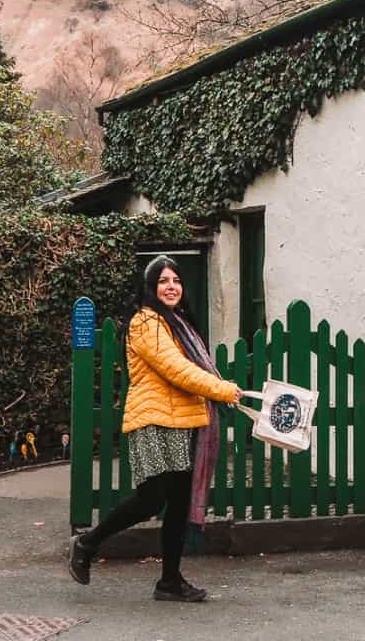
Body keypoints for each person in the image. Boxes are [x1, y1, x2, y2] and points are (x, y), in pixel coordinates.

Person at [69, 256, 241, 602]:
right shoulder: (146, 322)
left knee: (177, 503)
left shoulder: (177, 323)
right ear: (150, 288)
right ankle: (87, 543)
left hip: (180, 422)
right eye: (163, 281)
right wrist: (221, 389)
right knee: (151, 499)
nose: (171, 286)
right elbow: (175, 368)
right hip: (152, 421)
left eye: (176, 280)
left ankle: (170, 582)